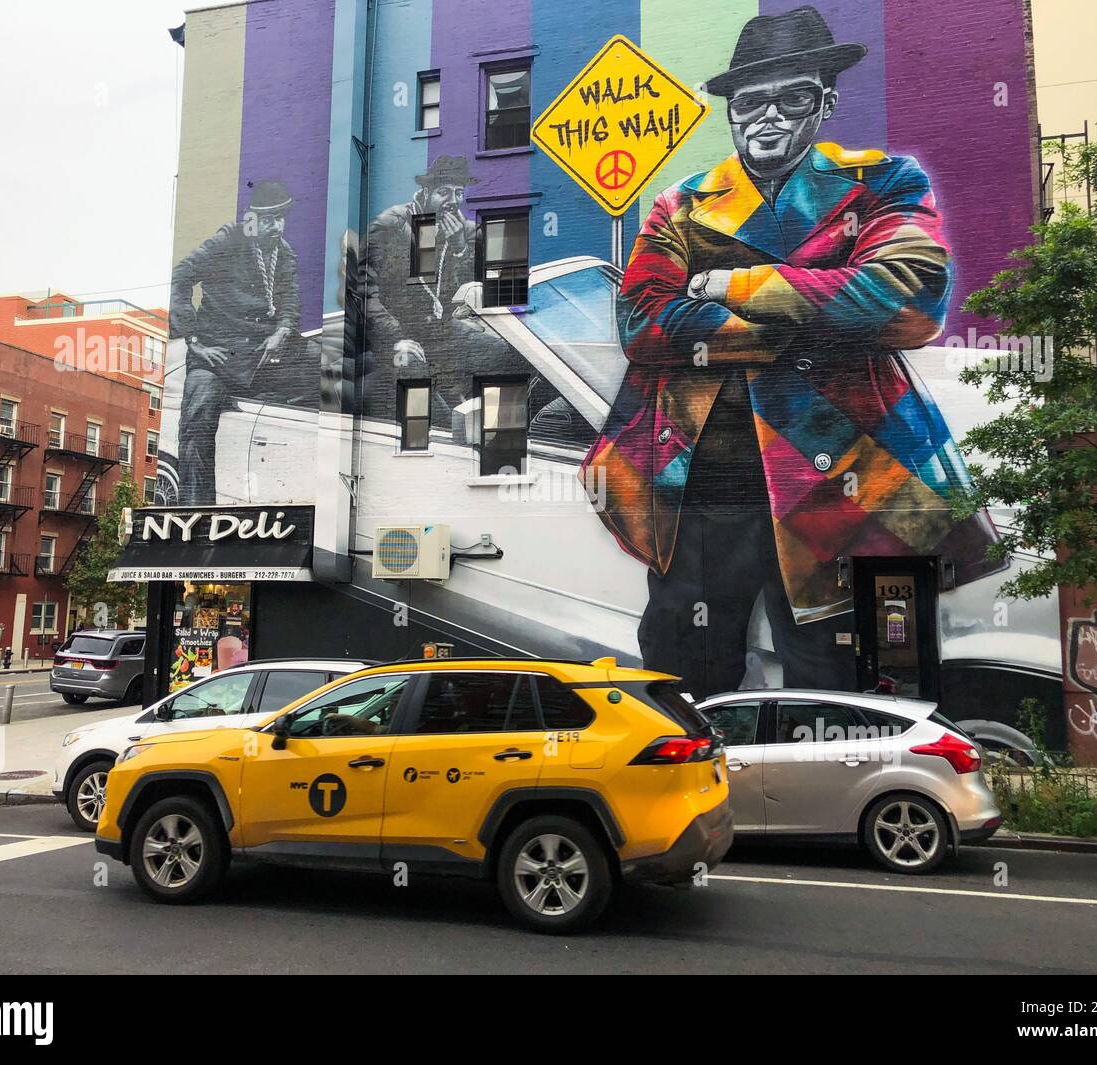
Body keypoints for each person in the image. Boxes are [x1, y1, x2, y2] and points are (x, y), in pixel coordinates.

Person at [582, 6, 1000, 699]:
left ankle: (857, 798)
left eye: (793, 97)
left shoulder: (885, 182)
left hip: (854, 476)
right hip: (703, 488)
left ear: (826, 102)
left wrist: (729, 285)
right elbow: (642, 321)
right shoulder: (681, 205)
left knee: (847, 674)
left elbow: (908, 299)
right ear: (732, 111)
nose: (767, 117)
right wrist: (808, 318)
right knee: (682, 669)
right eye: (750, 102)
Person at [169, 179, 312, 504]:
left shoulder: (284, 254)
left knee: (328, 366)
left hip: (261, 357)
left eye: (282, 217)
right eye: (270, 219)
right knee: (197, 415)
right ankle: (195, 514)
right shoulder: (227, 241)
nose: (278, 226)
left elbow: (290, 302)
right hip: (216, 359)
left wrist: (282, 332)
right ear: (253, 219)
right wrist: (193, 338)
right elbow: (181, 275)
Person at [360, 155, 517, 424]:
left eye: (459, 193)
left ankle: (500, 428)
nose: (453, 201)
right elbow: (363, 291)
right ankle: (448, 437)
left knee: (508, 355)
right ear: (425, 192)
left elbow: (471, 292)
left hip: (442, 330)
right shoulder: (392, 225)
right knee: (420, 385)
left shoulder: (464, 231)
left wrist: (459, 249)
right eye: (444, 192)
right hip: (395, 333)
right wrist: (395, 336)